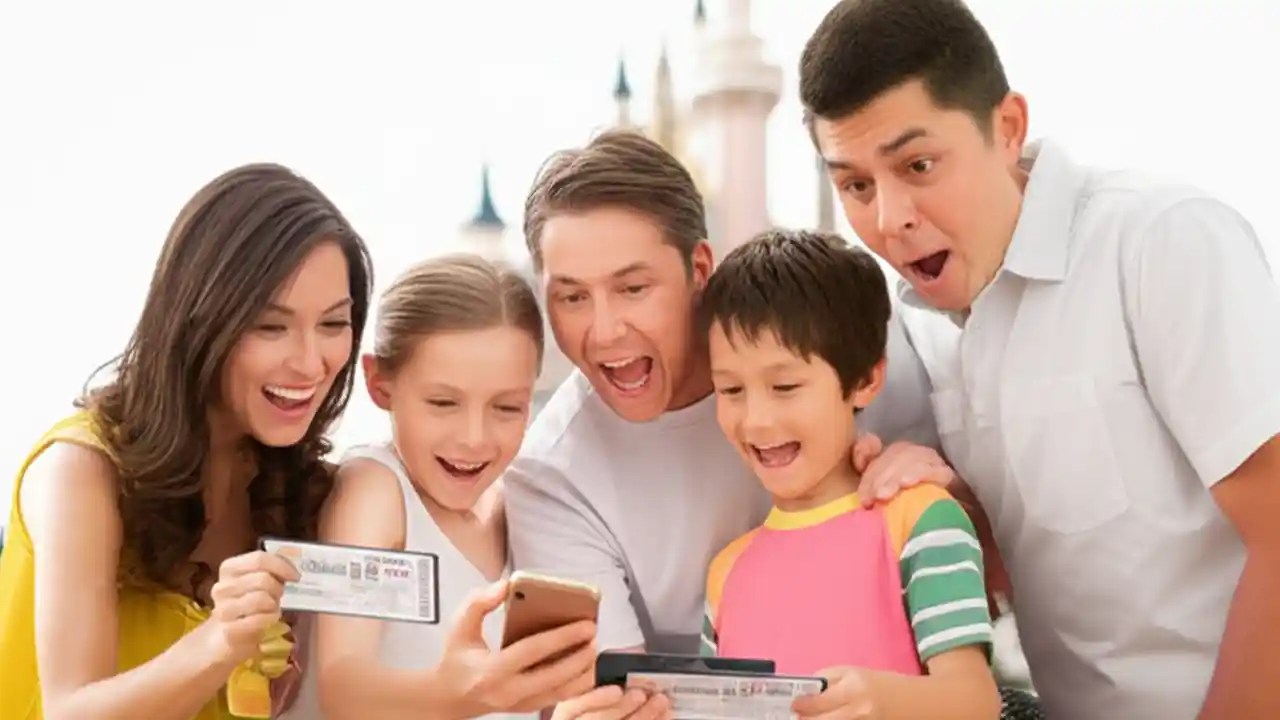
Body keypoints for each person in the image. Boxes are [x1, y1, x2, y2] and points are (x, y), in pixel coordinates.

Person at [798, 1, 1280, 718]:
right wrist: (947, 506)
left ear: (1007, 128)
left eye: (918, 164)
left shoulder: (1158, 242)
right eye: (856, 186)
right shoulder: (914, 327)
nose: (889, 216)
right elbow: (1020, 565)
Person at [505, 129, 947, 719]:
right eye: (572, 297)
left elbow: (973, 569)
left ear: (699, 269)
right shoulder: (550, 476)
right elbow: (615, 690)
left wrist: (943, 486)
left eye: (633, 288)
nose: (605, 330)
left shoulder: (832, 345)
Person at [0, 163, 375, 720]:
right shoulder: (81, 470)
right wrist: (220, 643)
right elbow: (69, 711)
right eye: (270, 326)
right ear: (199, 322)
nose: (309, 362)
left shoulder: (300, 487)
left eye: (333, 324)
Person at [698, 228, 999, 720]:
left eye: (785, 385)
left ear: (864, 380)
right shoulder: (726, 572)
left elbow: (975, 702)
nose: (755, 420)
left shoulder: (920, 521)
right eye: (731, 391)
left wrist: (882, 699)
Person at [281, 254, 597, 720]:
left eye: (507, 408)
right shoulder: (376, 490)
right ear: (380, 383)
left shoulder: (519, 504)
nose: (474, 437)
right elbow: (343, 688)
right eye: (444, 402)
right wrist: (470, 693)